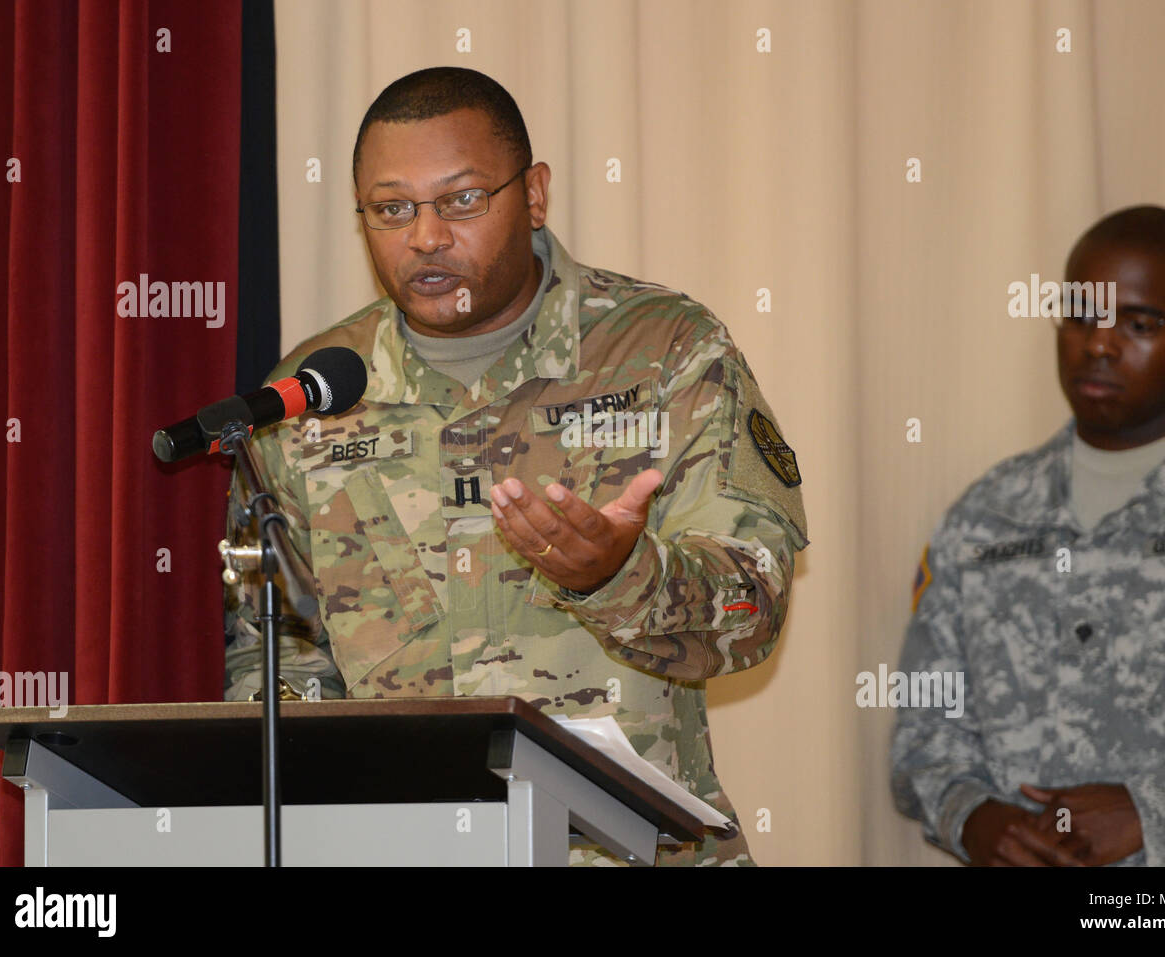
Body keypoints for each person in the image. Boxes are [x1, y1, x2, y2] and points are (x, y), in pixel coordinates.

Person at [223, 66, 809, 866]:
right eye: (392, 209)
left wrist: (620, 575)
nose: (425, 236)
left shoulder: (667, 349)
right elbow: (279, 668)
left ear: (533, 195)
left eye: (461, 200)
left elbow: (756, 604)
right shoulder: (310, 400)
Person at [891, 205, 1165, 866]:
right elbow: (924, 732)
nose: (1100, 344)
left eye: (1140, 323)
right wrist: (974, 818)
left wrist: (1160, 805)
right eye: (1082, 316)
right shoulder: (986, 517)